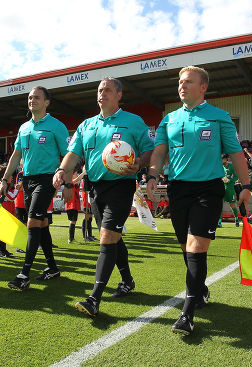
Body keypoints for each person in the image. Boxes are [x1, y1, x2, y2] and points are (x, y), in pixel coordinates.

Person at [146, 66, 251, 335]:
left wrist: (246, 187)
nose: (182, 86)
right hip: (178, 190)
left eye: (188, 82)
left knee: (195, 246)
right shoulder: (169, 120)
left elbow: (236, 153)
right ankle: (200, 290)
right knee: (186, 247)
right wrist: (152, 175)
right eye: (180, 82)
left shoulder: (219, 117)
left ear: (203, 87)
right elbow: (159, 152)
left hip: (208, 189)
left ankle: (187, 313)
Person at [53, 77, 154, 317]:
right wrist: (61, 171)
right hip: (95, 189)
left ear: (119, 95)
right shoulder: (86, 125)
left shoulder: (133, 121)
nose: (102, 94)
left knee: (107, 237)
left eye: (107, 90)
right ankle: (127, 280)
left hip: (121, 186)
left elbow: (149, 150)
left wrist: (140, 162)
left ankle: (94, 298)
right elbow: (72, 153)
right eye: (99, 90)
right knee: (113, 238)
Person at [0, 86, 69, 290]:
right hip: (27, 180)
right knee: (42, 223)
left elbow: (68, 155)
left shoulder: (57, 126)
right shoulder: (23, 127)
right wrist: (5, 179)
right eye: (30, 98)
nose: (32, 101)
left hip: (47, 178)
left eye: (37, 98)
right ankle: (53, 268)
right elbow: (16, 155)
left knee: (32, 222)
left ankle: (24, 274)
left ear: (47, 102)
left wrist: (67, 181)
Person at [219, 154, 240, 227]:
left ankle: (236, 219)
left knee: (232, 205)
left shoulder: (231, 166)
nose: (221, 161)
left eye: (222, 159)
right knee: (220, 205)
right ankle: (219, 222)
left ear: (226, 159)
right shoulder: (219, 167)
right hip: (221, 188)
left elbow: (236, 177)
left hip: (230, 188)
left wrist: (229, 180)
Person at [78, 168, 98, 242]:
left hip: (90, 201)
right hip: (86, 202)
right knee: (86, 218)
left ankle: (90, 235)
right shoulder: (84, 180)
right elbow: (85, 191)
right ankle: (85, 236)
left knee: (90, 218)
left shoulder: (89, 179)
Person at [65, 175, 81, 244]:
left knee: (74, 221)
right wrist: (84, 172)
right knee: (73, 221)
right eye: (76, 173)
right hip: (71, 205)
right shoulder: (70, 182)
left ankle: (71, 238)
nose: (77, 175)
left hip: (74, 205)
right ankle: (70, 239)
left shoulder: (75, 183)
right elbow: (77, 179)